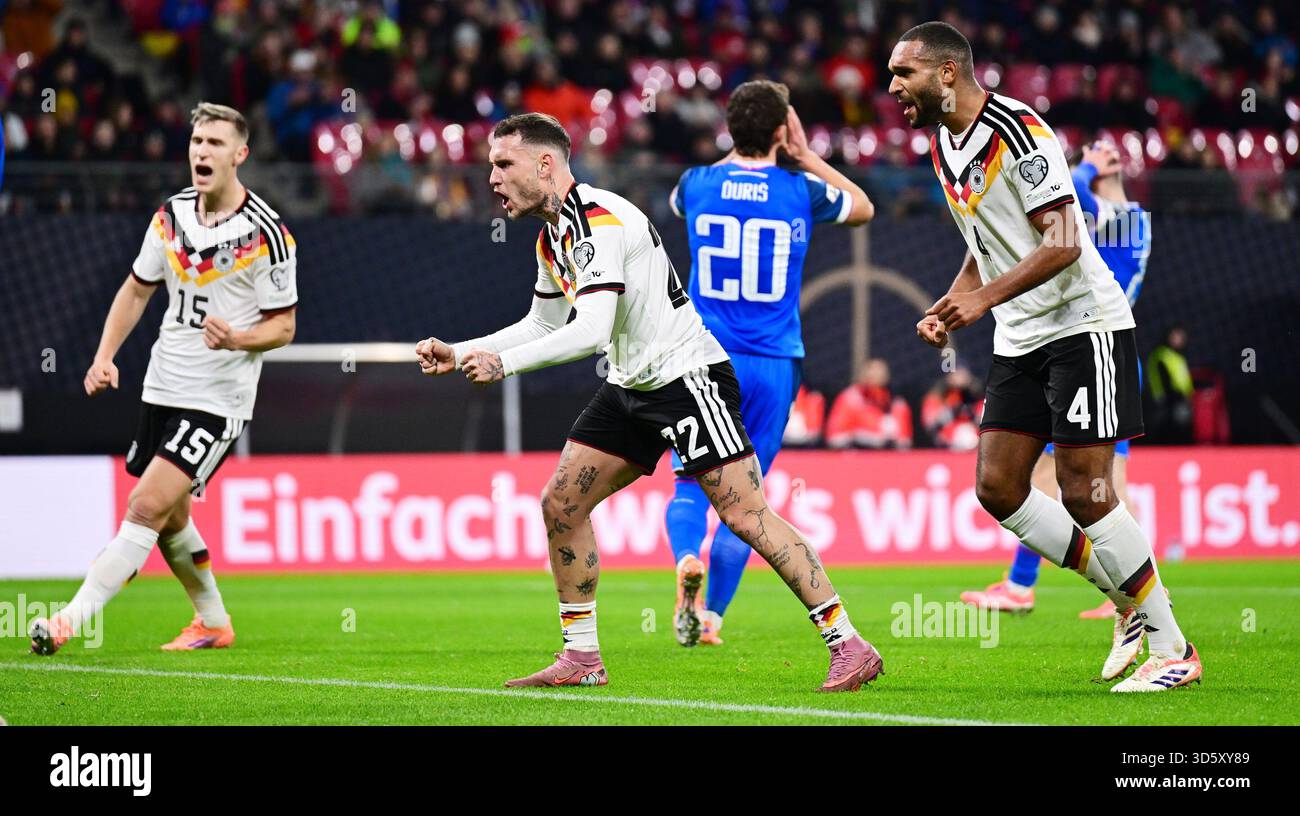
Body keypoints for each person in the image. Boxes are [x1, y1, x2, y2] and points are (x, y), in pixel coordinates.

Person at [416, 113, 882, 692]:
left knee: (745, 515)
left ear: (545, 163)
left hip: (687, 379)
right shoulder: (554, 236)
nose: (491, 178)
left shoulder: (599, 221)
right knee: (561, 504)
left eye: (503, 163)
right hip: (632, 385)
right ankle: (582, 659)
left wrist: (502, 364)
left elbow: (589, 331)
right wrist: (463, 350)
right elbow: (542, 322)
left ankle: (850, 644)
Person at [888, 22, 1199, 692]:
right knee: (998, 488)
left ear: (946, 73)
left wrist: (982, 301)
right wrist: (954, 300)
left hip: (1083, 326)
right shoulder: (944, 144)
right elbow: (986, 236)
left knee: (1088, 491)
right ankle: (1125, 600)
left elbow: (1060, 240)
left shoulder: (1019, 132)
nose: (893, 87)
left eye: (904, 73)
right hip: (1020, 334)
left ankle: (1175, 649)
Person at [31, 103, 299, 655]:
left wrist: (238, 339)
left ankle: (67, 620)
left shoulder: (268, 233)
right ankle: (212, 621)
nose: (202, 151)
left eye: (215, 144)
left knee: (145, 508)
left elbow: (284, 327)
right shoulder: (170, 216)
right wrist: (104, 355)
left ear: (240, 154)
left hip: (218, 397)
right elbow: (136, 289)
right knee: (172, 516)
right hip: (162, 383)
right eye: (197, 141)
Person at [664, 80, 874, 647]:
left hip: (705, 359)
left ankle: (686, 556)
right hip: (773, 364)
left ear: (728, 127)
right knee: (750, 501)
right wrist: (808, 158)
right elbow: (864, 209)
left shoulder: (696, 184)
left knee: (689, 485)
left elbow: (677, 206)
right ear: (783, 132)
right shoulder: (802, 189)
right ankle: (712, 619)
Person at [961, 139, 1154, 619]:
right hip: (1083, 350)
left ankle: (1129, 589)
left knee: (1093, 483)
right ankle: (1031, 584)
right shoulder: (1105, 213)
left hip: (1098, 349)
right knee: (1071, 479)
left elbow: (1076, 205)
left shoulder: (1129, 216)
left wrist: (1084, 169)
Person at [826, 358, 913, 449]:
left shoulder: (897, 402)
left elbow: (904, 440)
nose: (877, 374)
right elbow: (835, 435)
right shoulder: (850, 398)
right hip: (857, 453)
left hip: (888, 455)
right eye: (872, 370)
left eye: (880, 370)